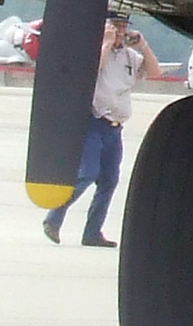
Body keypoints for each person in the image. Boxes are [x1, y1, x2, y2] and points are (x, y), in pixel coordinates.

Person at [41, 13, 156, 246]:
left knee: (109, 180)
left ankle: (93, 231)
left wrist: (143, 46)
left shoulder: (128, 57)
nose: (120, 32)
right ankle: (54, 217)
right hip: (94, 121)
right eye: (116, 27)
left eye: (123, 27)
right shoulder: (95, 51)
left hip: (115, 127)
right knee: (87, 173)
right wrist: (105, 41)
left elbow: (154, 72)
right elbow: (93, 70)